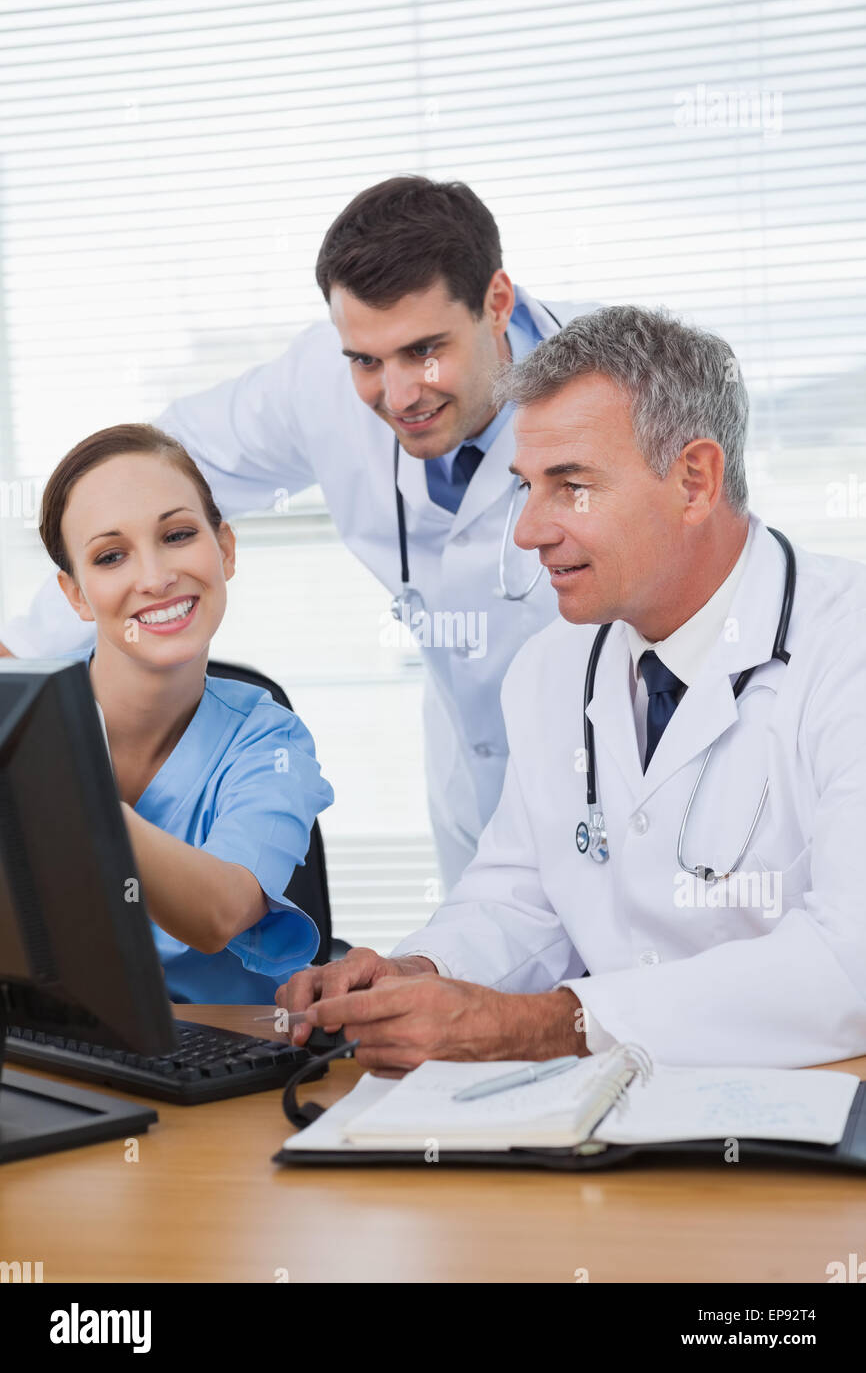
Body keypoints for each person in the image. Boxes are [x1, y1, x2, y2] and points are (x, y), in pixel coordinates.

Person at [277, 305, 866, 1073]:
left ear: (695, 481)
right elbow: (520, 896)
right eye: (527, 485)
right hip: (611, 1128)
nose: (527, 531)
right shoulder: (553, 667)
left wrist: (553, 1025)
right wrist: (419, 974)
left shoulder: (845, 646)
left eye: (571, 486)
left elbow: (848, 960)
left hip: (811, 1134)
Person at [0, 176, 595, 888]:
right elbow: (151, 474)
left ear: (496, 303)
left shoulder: (612, 382)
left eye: (424, 351)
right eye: (367, 361)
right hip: (475, 784)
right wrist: (23, 657)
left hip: (609, 774)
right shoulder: (321, 379)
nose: (398, 395)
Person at [35, 423, 333, 1004]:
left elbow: (218, 914)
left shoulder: (271, 744)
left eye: (176, 535)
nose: (154, 577)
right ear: (75, 594)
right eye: (111, 555)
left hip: (217, 1073)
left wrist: (77, 799)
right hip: (45, 1065)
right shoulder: (20, 724)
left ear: (224, 549)